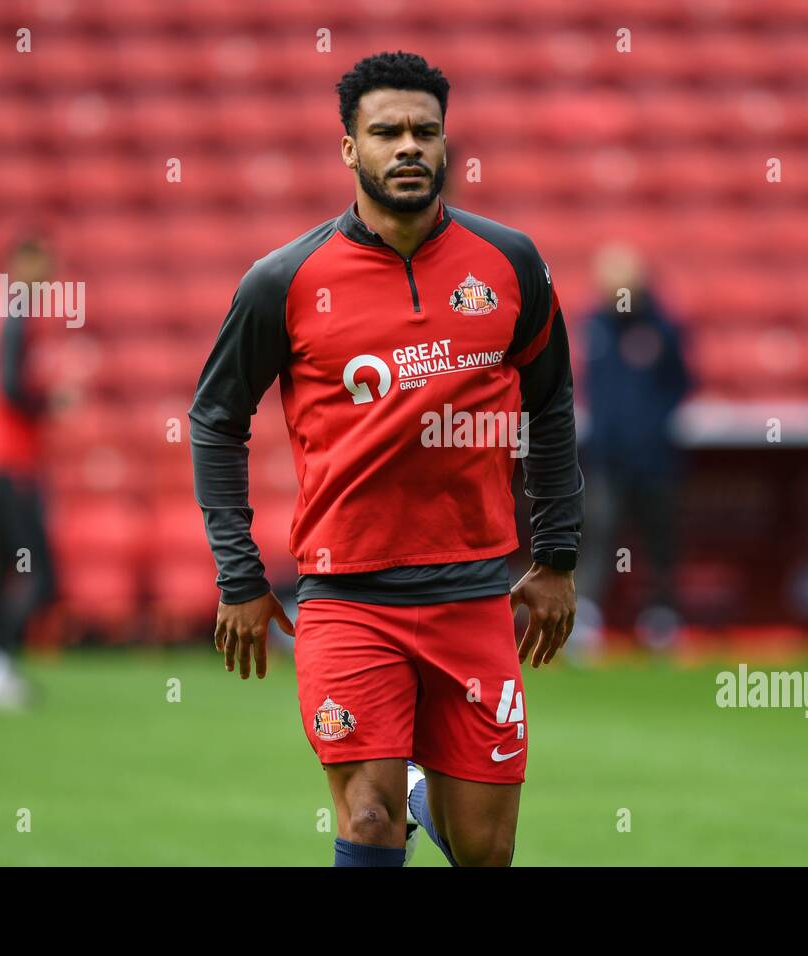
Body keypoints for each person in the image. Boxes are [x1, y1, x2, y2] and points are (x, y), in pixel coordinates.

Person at [188, 51, 583, 867]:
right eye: (387, 132)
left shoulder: (510, 264)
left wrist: (557, 557)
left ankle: (422, 793)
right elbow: (214, 420)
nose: (408, 146)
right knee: (367, 820)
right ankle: (394, 796)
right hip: (347, 599)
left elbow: (550, 409)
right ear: (349, 149)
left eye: (424, 132)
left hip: (475, 593)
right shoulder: (284, 280)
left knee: (484, 849)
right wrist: (239, 575)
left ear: (446, 144)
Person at [575, 242, 692, 649]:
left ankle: (662, 618)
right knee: (598, 535)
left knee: (659, 539)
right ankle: (585, 622)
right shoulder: (594, 326)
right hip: (606, 458)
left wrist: (651, 427)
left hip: (654, 459)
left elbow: (681, 384)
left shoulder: (663, 329)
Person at [0, 236, 59, 711]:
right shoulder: (15, 312)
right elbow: (9, 386)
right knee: (37, 572)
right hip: (9, 462)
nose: (48, 273)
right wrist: (50, 401)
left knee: (8, 565)